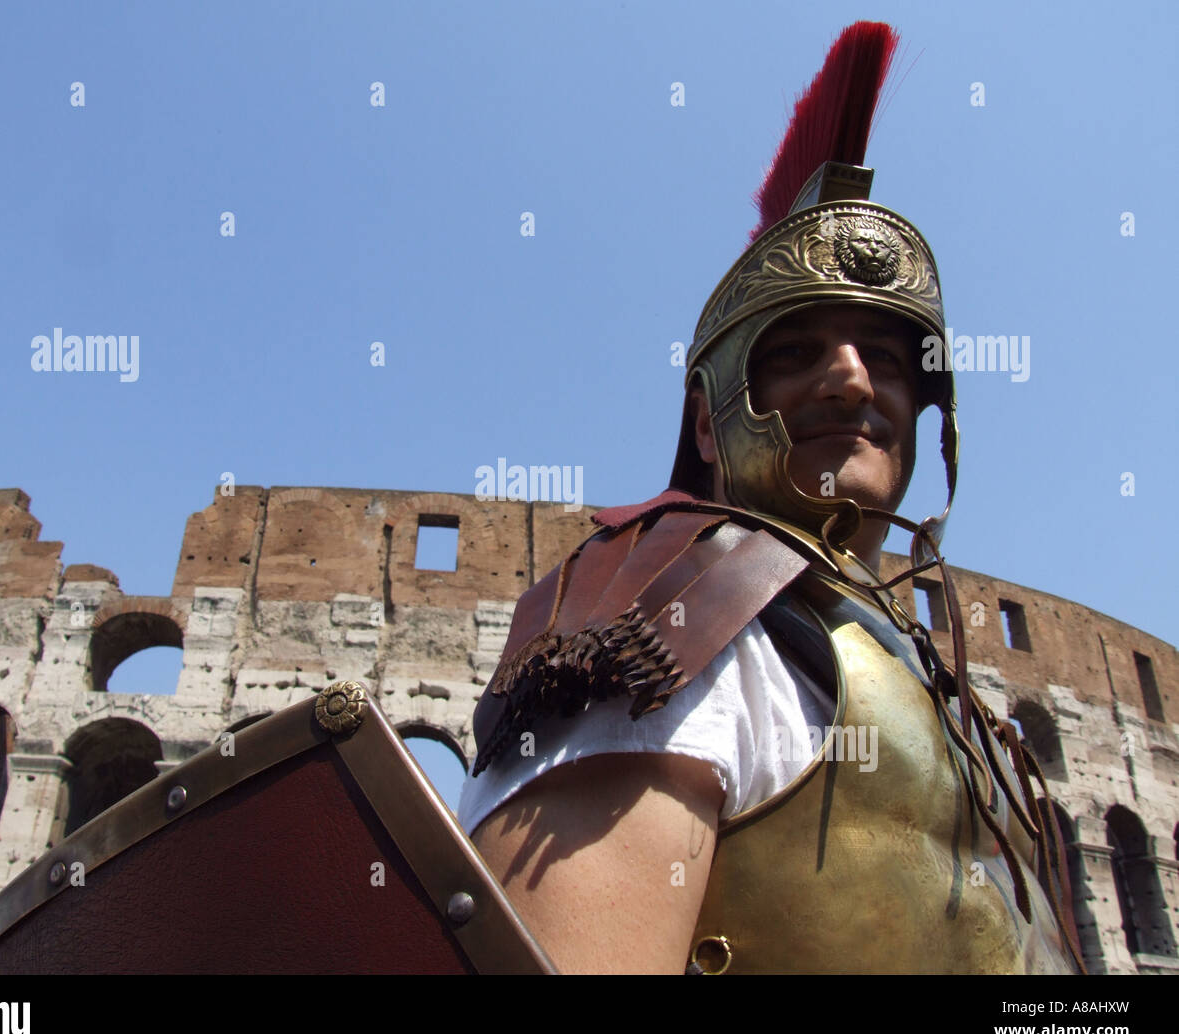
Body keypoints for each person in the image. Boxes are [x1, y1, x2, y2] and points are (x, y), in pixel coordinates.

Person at [457, 21, 1084, 976]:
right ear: (709, 426)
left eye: (886, 357)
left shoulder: (961, 712)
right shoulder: (666, 622)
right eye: (794, 354)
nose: (851, 381)